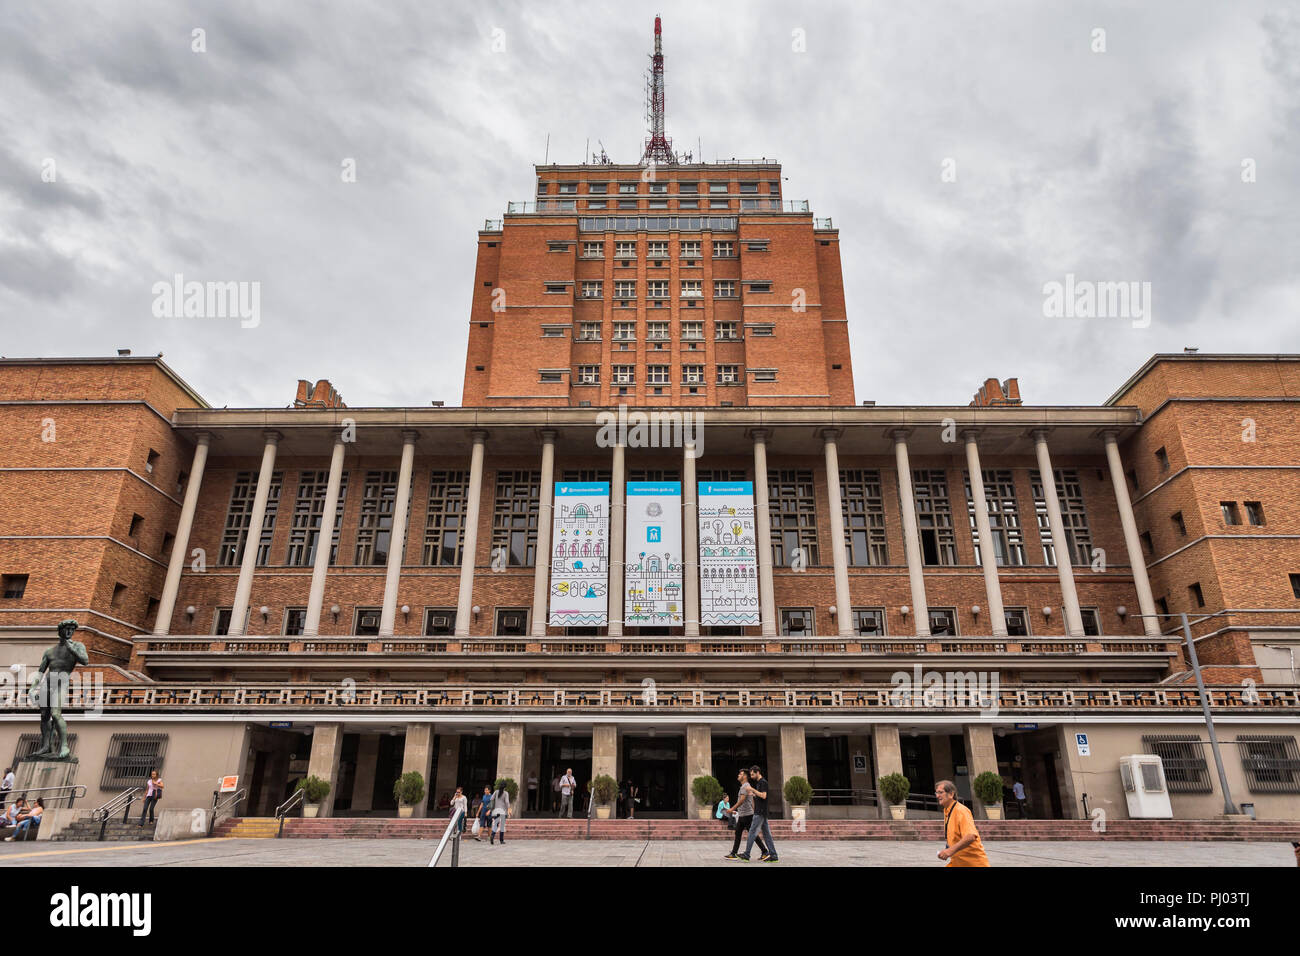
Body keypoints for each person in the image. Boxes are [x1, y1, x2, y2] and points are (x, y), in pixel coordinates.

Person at [936, 780, 990, 867]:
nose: (937, 795)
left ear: (951, 794)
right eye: (936, 793)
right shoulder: (948, 810)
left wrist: (950, 851)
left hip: (973, 863)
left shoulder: (961, 811)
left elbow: (971, 836)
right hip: (958, 862)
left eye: (941, 792)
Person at [724, 768, 770, 861]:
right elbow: (752, 800)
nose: (738, 776)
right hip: (745, 814)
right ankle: (734, 853)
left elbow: (742, 800)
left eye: (740, 774)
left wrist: (732, 809)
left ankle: (764, 851)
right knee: (740, 833)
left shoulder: (745, 786)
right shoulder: (745, 786)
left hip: (746, 815)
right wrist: (754, 810)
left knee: (752, 834)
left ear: (744, 776)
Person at [739, 766, 778, 862]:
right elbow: (760, 796)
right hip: (762, 812)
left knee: (752, 832)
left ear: (758, 773)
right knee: (767, 834)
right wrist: (754, 795)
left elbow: (764, 796)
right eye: (751, 774)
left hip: (760, 812)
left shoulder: (763, 782)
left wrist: (752, 789)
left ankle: (747, 854)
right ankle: (773, 855)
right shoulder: (759, 783)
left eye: (752, 774)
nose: (751, 776)